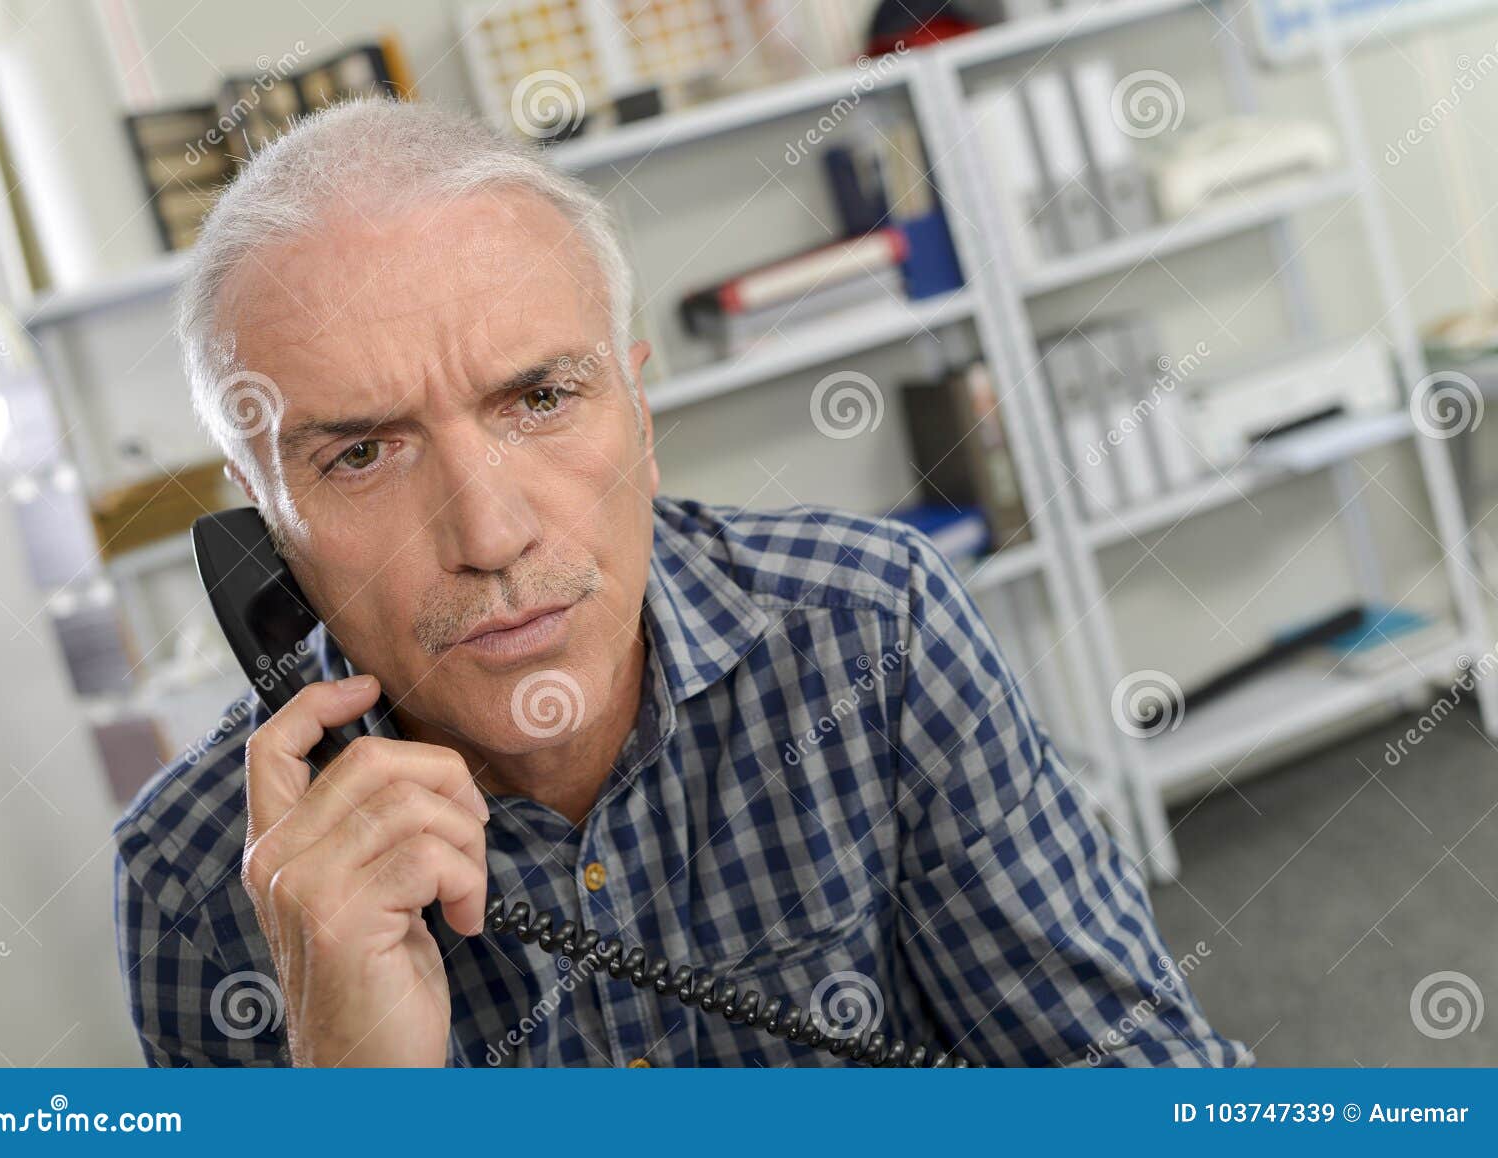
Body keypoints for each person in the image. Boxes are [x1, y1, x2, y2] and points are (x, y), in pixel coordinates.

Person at [113, 98, 1248, 1069]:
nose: (495, 535)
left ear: (640, 415)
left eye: (542, 399)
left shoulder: (874, 629)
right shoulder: (196, 873)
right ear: (266, 527)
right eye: (360, 454)